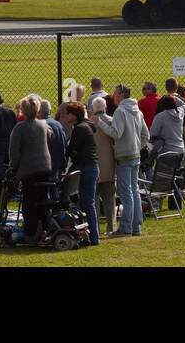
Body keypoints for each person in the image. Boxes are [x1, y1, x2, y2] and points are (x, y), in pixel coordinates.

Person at [92, 84, 148, 238]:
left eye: (116, 93)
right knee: (134, 191)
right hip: (135, 155)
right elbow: (146, 136)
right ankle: (136, 225)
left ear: (121, 95)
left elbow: (116, 133)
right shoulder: (137, 110)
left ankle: (126, 228)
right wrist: (136, 147)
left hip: (124, 156)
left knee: (126, 193)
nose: (114, 96)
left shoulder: (120, 111)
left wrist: (100, 123)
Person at [7, 96, 53, 241]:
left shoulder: (19, 128)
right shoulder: (44, 125)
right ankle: (46, 227)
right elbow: (51, 136)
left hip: (29, 170)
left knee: (29, 202)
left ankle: (30, 231)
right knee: (42, 199)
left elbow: (14, 152)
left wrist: (13, 169)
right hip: (45, 167)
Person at [63, 100, 100, 245]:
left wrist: (74, 152)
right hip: (91, 167)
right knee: (85, 202)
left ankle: (93, 237)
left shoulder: (80, 129)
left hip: (86, 167)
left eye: (69, 114)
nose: (66, 117)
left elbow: (70, 149)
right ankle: (89, 235)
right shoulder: (88, 126)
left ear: (75, 115)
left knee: (87, 202)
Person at [91, 97, 117, 236]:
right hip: (109, 167)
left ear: (93, 109)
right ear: (106, 108)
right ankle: (111, 227)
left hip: (94, 166)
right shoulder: (111, 121)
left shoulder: (89, 124)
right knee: (110, 199)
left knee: (93, 198)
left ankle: (95, 227)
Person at [148, 95, 185, 162]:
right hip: (180, 150)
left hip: (166, 151)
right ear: (175, 103)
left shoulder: (160, 116)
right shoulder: (180, 113)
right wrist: (173, 96)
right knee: (175, 172)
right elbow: (184, 105)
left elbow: (153, 133)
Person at [37, 98, 67, 179]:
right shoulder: (58, 124)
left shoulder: (40, 125)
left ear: (38, 111)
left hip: (47, 164)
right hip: (58, 162)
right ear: (50, 111)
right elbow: (64, 142)